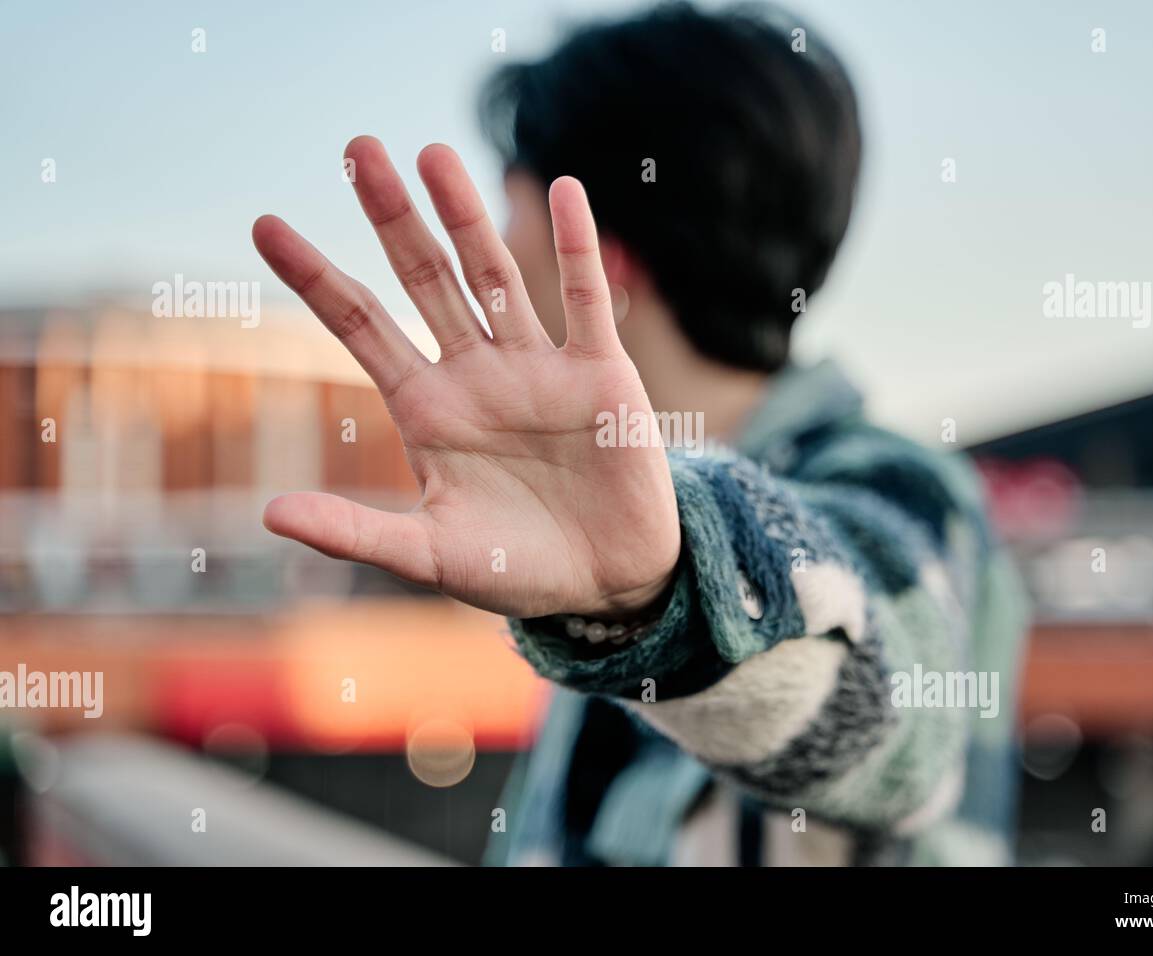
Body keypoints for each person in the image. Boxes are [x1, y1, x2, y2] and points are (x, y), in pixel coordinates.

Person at [251, 1, 1027, 866]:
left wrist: (665, 592)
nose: (503, 254)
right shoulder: (598, 520)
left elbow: (897, 720)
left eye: (514, 213)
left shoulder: (904, 489)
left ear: (601, 251)